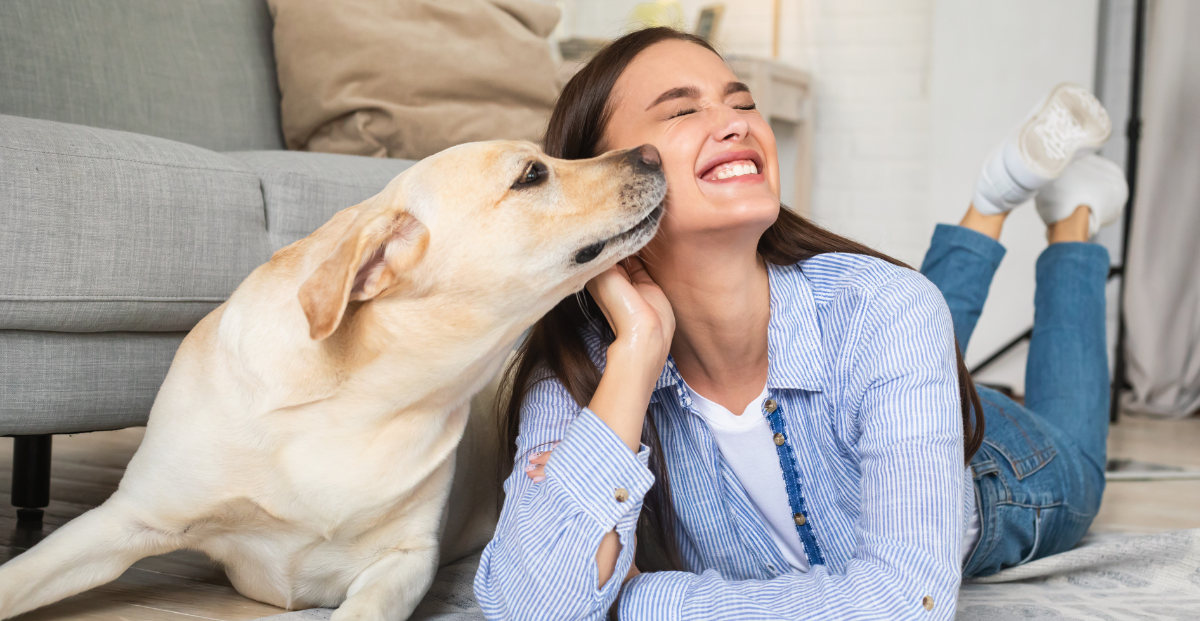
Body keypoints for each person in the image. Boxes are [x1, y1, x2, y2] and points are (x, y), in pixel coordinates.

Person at [474, 27, 1127, 620]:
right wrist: (638, 351)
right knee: (899, 319)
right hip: (874, 386)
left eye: (741, 101)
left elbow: (908, 601)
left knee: (1074, 453)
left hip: (994, 469)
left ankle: (1071, 218)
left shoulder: (879, 308)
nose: (734, 123)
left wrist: (634, 599)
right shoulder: (586, 367)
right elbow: (534, 604)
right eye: (682, 109)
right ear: (602, 182)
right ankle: (991, 199)